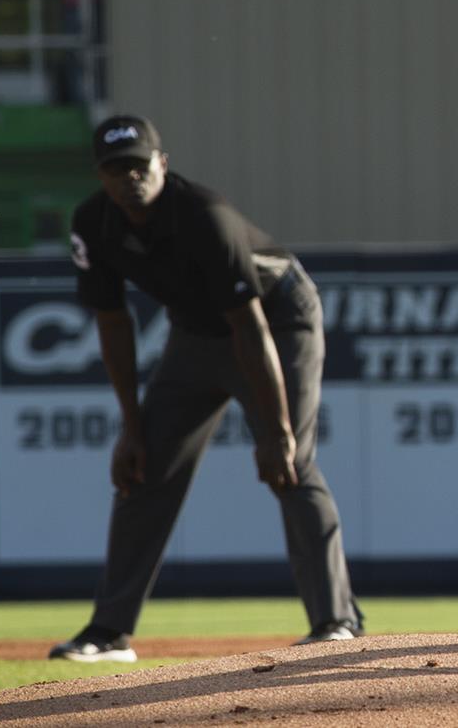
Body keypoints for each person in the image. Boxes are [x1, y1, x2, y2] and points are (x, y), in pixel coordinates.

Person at [49, 114, 362, 662]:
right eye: (116, 168)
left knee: (290, 464)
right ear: (100, 176)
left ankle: (336, 622)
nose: (129, 178)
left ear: (162, 164)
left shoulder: (204, 215)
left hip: (277, 322)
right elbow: (112, 322)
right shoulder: (93, 223)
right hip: (195, 334)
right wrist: (132, 427)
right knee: (144, 467)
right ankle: (109, 632)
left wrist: (277, 431)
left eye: (139, 165)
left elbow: (250, 326)